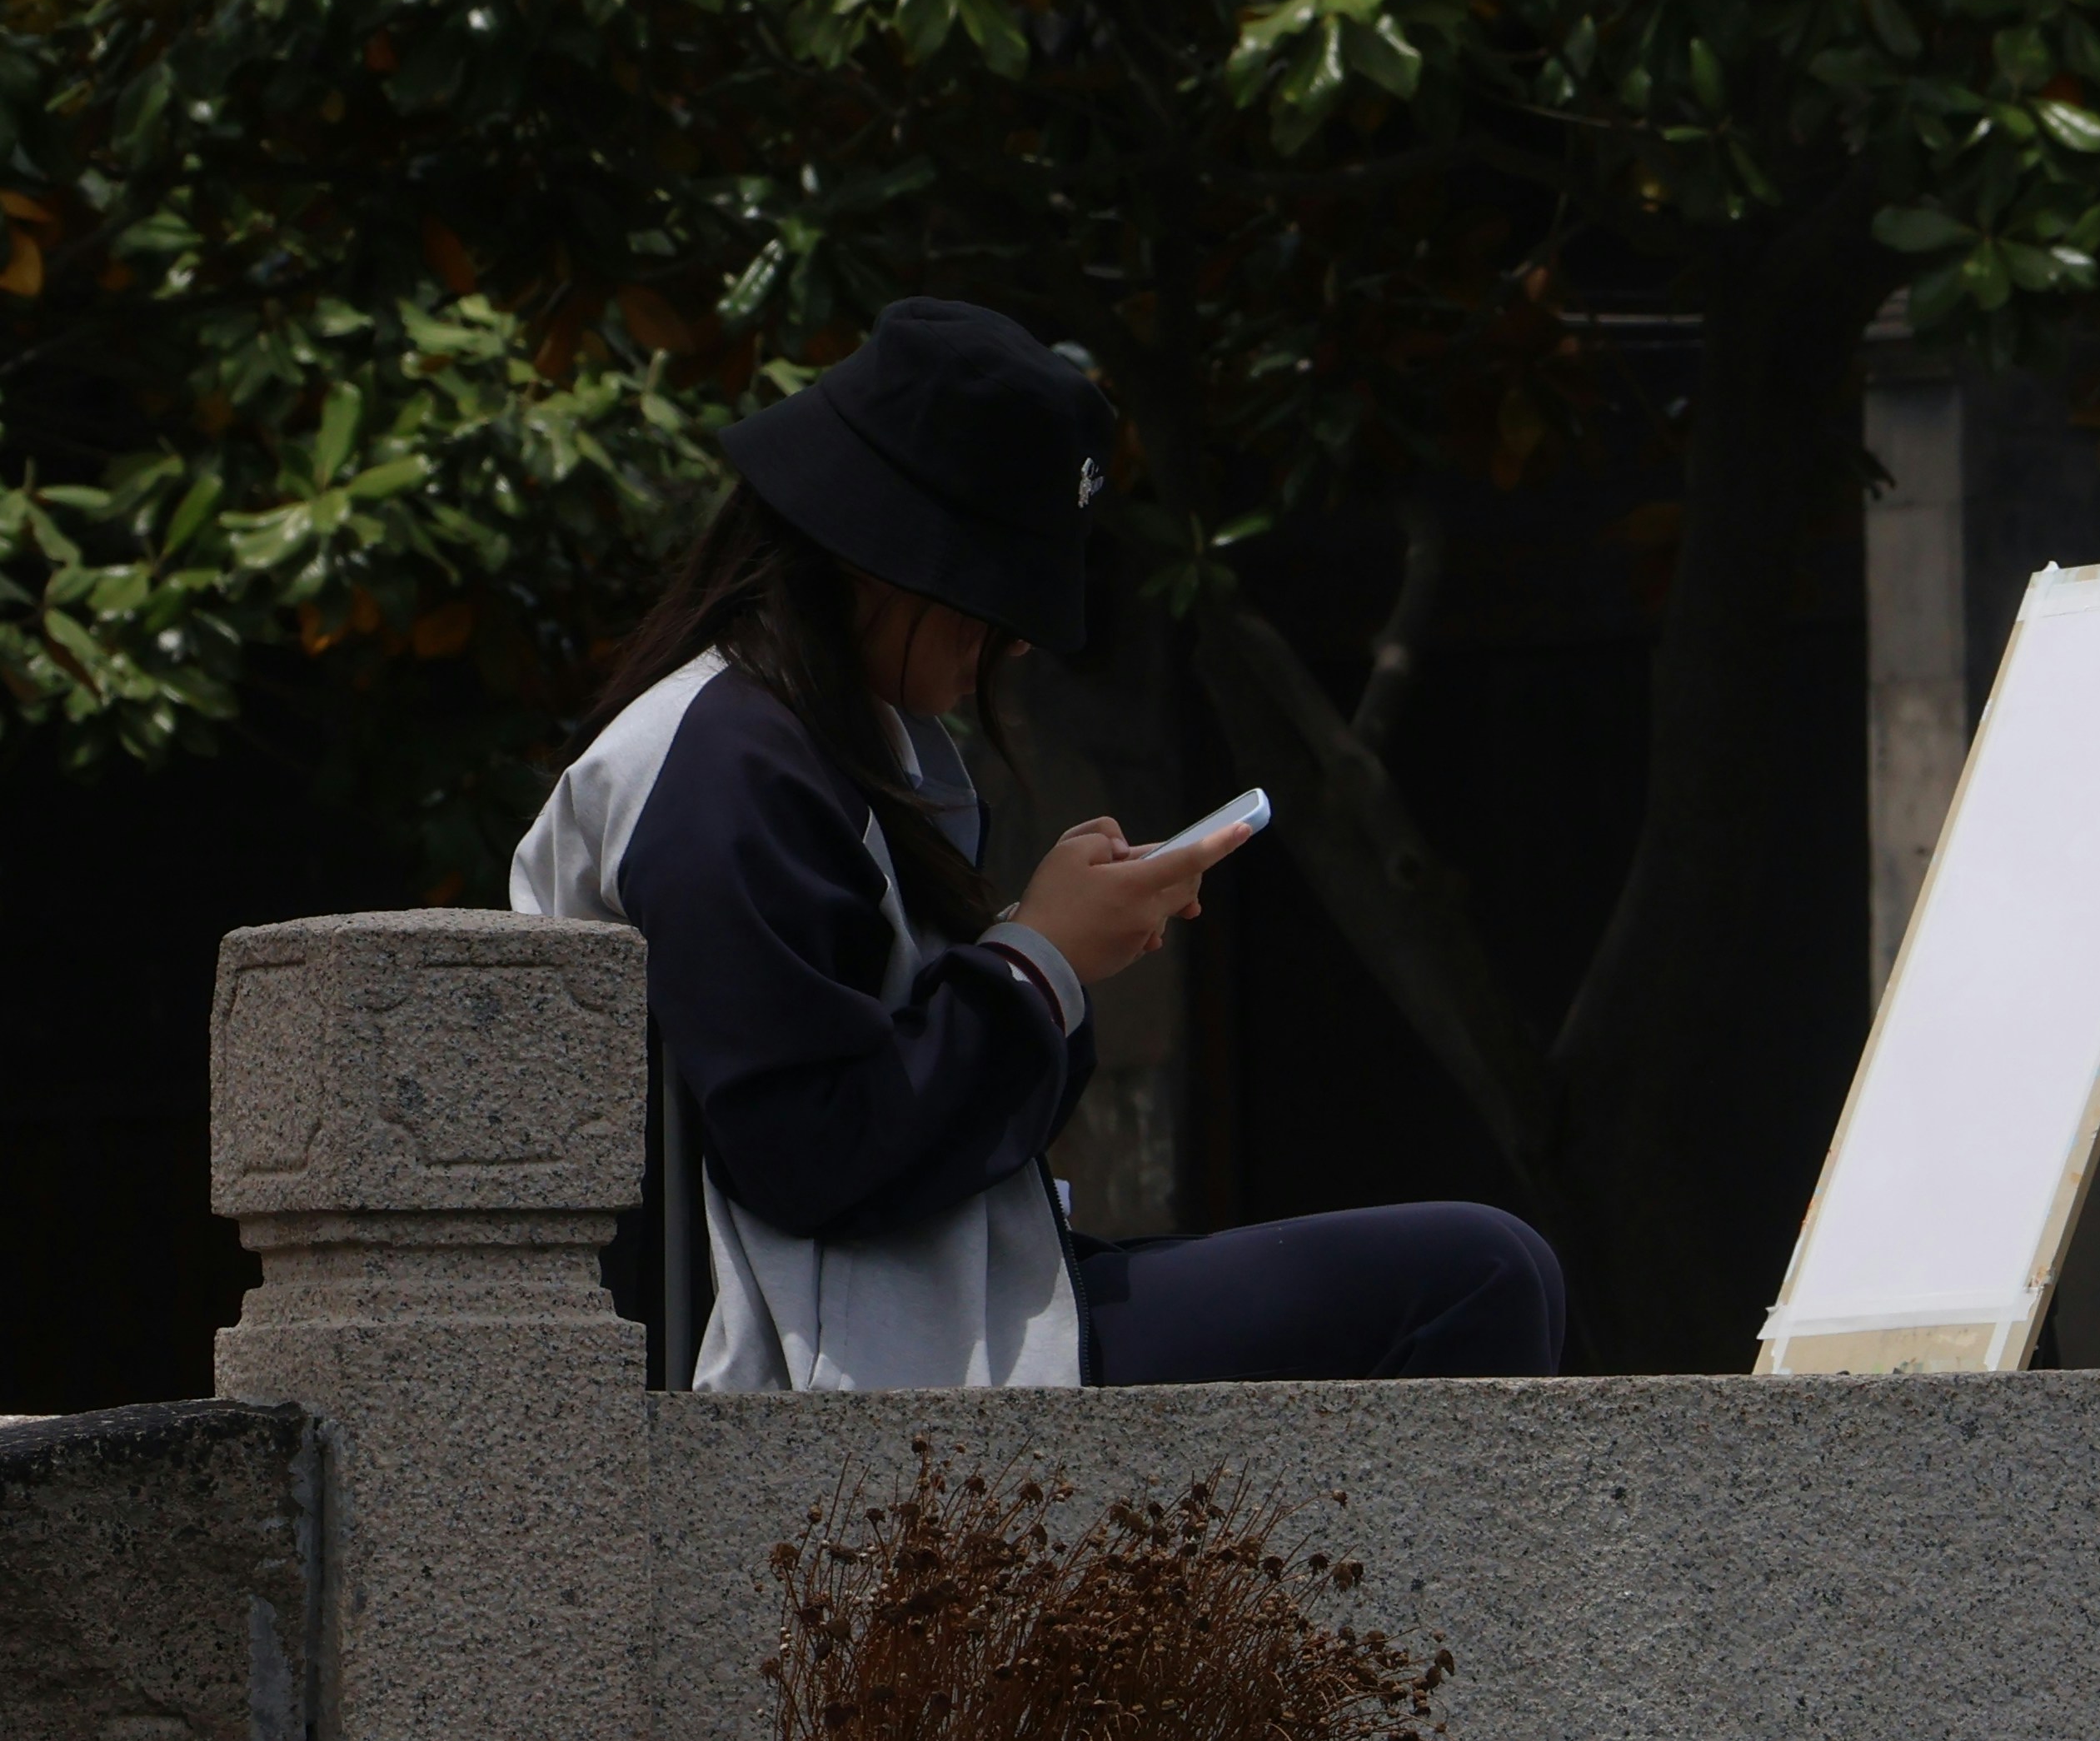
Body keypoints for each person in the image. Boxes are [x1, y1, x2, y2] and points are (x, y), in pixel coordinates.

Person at [511, 298, 1565, 1389]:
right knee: (1481, 1274)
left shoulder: (788, 741)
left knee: (1486, 1269)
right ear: (882, 554)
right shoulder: (725, 762)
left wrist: (1044, 950)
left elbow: (914, 1128)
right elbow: (813, 1156)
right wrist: (1036, 959)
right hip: (828, 1371)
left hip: (923, 1317)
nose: (1007, 642)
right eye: (986, 597)